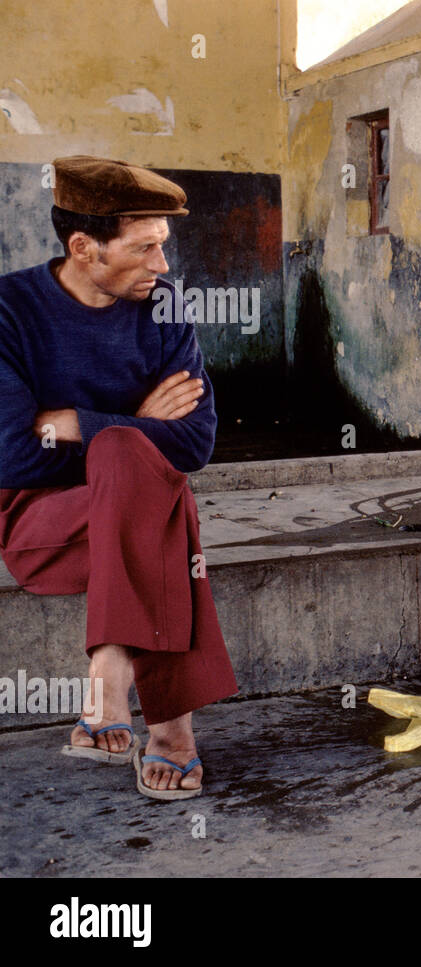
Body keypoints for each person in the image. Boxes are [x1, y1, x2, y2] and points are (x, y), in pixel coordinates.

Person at [0, 156, 237, 799]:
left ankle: (108, 667)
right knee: (150, 484)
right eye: (144, 248)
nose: (162, 266)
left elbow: (194, 441)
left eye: (164, 245)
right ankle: (173, 737)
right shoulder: (8, 311)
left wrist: (80, 422)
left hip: (127, 508)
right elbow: (11, 459)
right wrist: (129, 424)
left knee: (144, 474)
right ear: (84, 247)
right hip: (36, 524)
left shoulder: (163, 308)